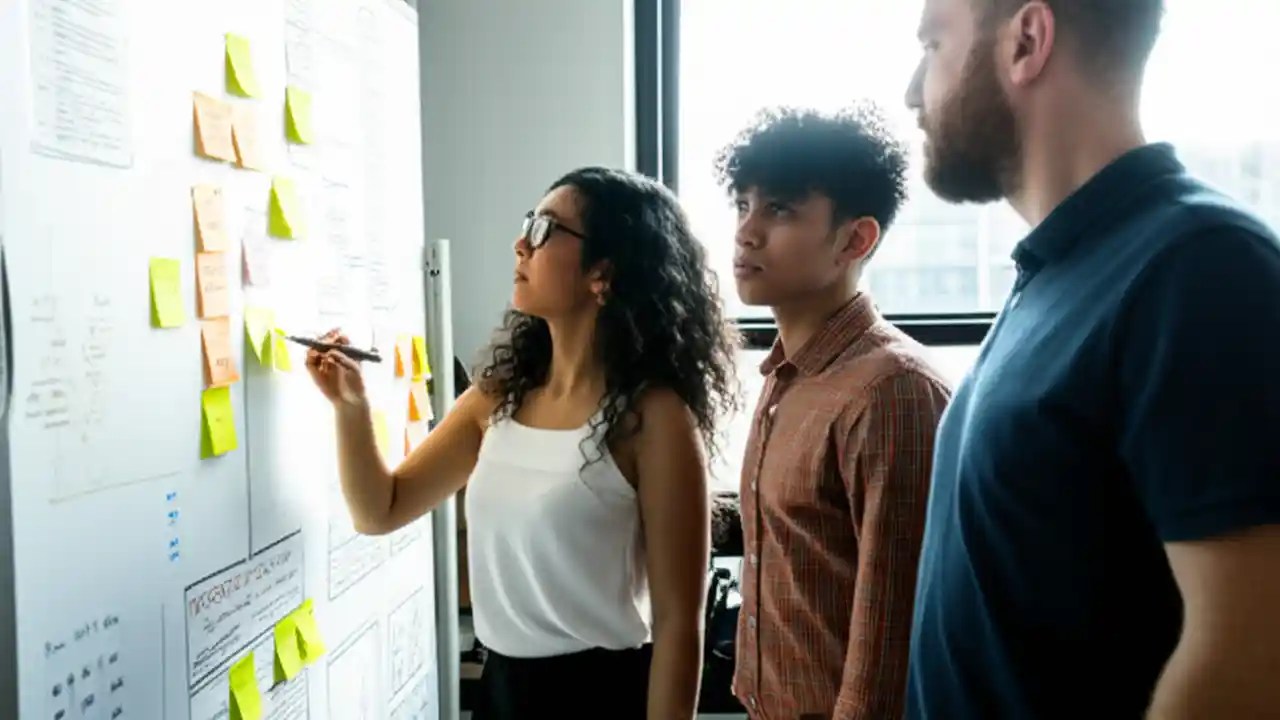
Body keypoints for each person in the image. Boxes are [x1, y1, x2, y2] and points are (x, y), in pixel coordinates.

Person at [905, 1, 1280, 718]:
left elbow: (1252, 656)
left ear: (1027, 40)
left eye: (932, 44)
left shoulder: (1198, 268)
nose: (912, 89)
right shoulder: (1054, 272)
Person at [305, 167, 740, 719]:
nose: (521, 242)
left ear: (602, 272)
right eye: (528, 222)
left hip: (603, 696)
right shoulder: (496, 398)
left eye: (545, 229)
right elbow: (379, 509)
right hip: (502, 689)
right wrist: (350, 406)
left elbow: (680, 623)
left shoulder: (653, 418)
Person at [713, 104, 952, 719]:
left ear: (856, 238)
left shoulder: (890, 391)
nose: (747, 231)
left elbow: (890, 631)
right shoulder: (786, 374)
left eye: (780, 209)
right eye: (743, 204)